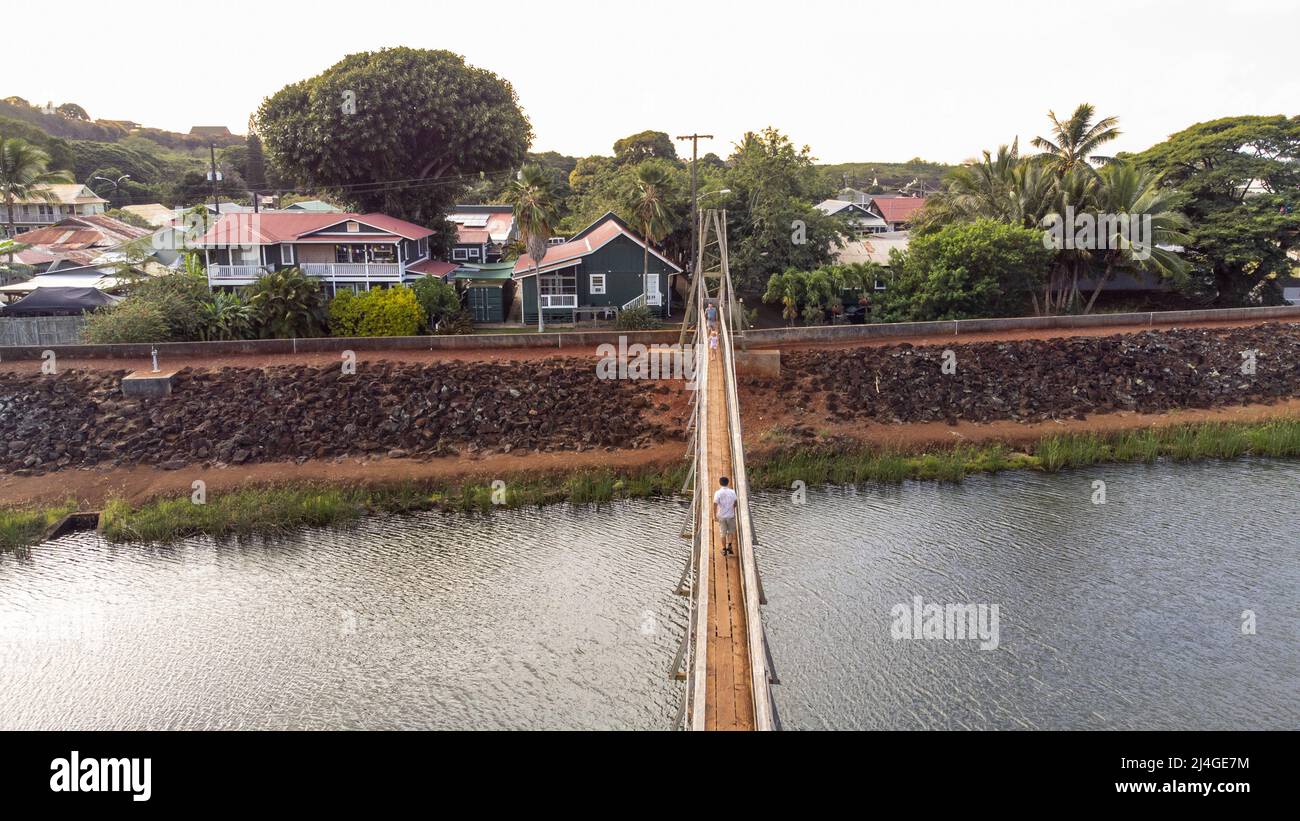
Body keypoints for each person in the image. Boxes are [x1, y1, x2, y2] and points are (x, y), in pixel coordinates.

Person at [713, 476, 738, 556]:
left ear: (720, 483)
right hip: (731, 515)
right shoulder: (732, 492)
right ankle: (730, 545)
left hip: (721, 516)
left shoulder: (718, 493)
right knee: (731, 532)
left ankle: (724, 550)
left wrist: (714, 515)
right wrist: (732, 507)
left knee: (723, 533)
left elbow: (715, 504)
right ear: (728, 483)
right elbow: (735, 503)